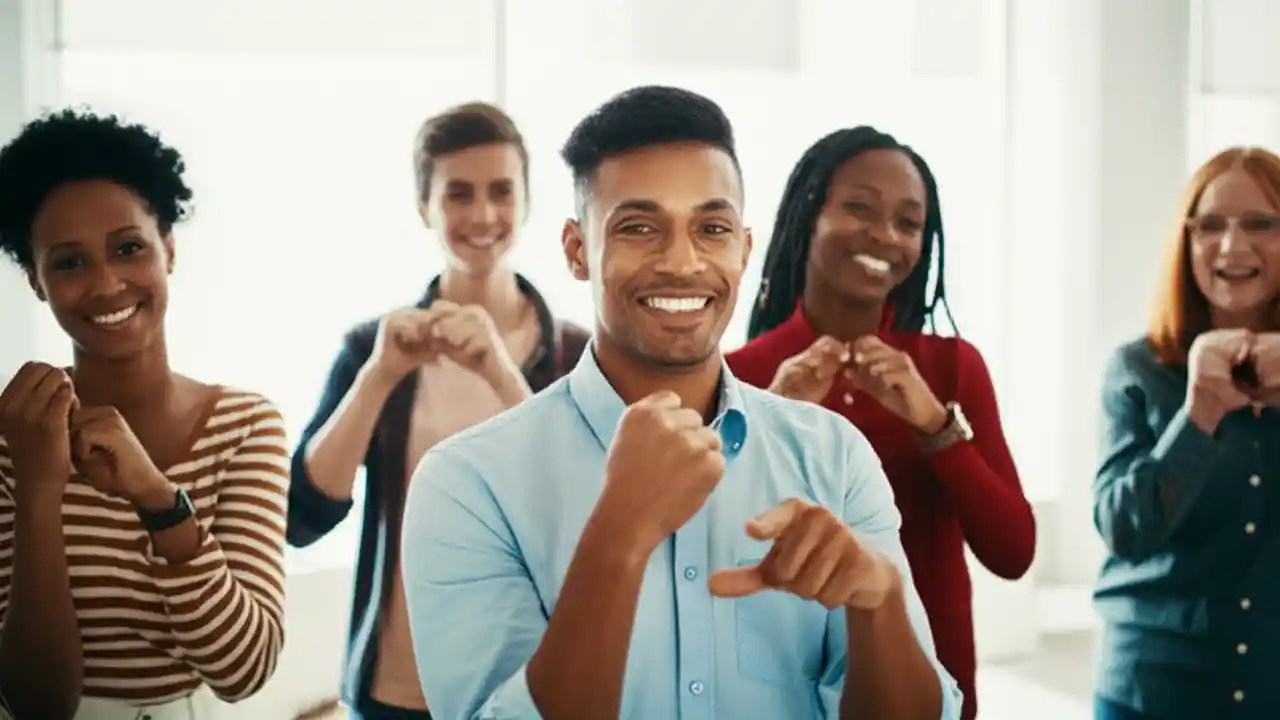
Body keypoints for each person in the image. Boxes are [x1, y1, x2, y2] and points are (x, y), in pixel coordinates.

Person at [400, 86, 962, 720]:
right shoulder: (467, 483)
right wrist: (619, 532)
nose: (682, 261)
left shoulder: (832, 456)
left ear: (744, 251)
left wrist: (878, 602)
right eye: (639, 227)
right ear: (577, 250)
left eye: (712, 229)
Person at [286, 102, 588, 720]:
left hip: (532, 681)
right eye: (458, 195)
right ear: (425, 206)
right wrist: (378, 377)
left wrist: (504, 378)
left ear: (527, 203)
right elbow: (303, 516)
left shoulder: (578, 356)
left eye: (502, 192)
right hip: (397, 690)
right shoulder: (371, 349)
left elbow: (591, 510)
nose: (482, 215)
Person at [726, 127, 1035, 719]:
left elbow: (1013, 552)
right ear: (808, 214)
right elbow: (707, 548)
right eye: (859, 208)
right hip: (772, 687)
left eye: (908, 223)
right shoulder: (740, 373)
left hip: (925, 688)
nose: (885, 236)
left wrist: (935, 425)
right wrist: (773, 412)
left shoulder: (950, 368)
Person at [0, 110, 288, 719]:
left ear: (169, 251)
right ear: (35, 280)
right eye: (69, 262)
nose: (106, 284)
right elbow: (36, 703)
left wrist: (158, 498)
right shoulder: (14, 438)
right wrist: (38, 491)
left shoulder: (246, 428)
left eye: (129, 248)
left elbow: (245, 672)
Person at [1091, 146, 1280, 720]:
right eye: (1211, 227)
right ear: (1187, 243)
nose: (1232, 246)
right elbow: (1124, 530)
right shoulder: (1137, 369)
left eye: (1260, 224)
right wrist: (1197, 416)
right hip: (1154, 691)